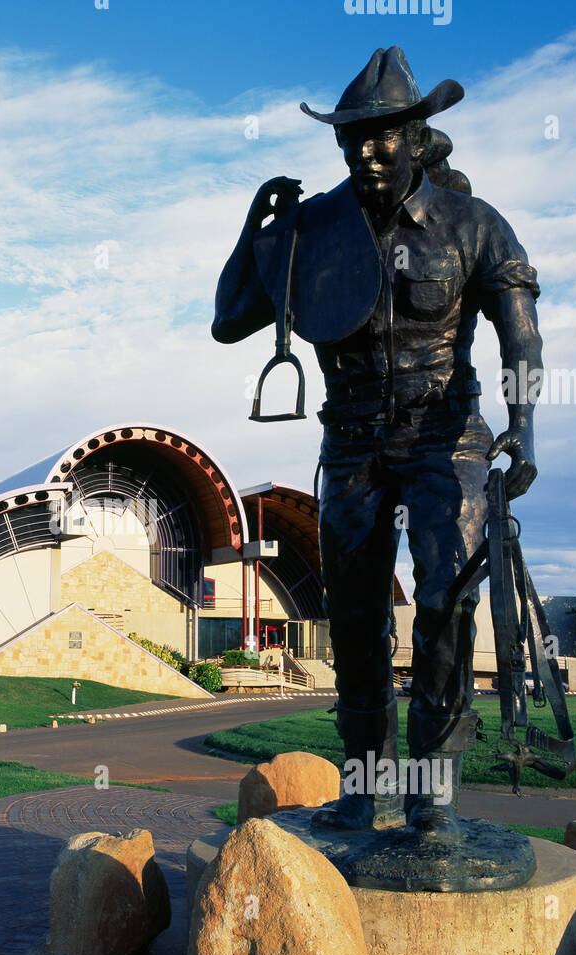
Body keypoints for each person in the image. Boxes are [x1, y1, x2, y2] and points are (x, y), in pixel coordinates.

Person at [212, 46, 544, 838]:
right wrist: (252, 230)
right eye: (351, 138)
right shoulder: (312, 230)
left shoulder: (473, 224)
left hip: (446, 436)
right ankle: (368, 787)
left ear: (416, 134)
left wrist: (524, 425)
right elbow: (228, 321)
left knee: (443, 603)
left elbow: (521, 337)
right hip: (352, 440)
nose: (365, 152)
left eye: (382, 137)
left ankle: (433, 792)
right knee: (357, 618)